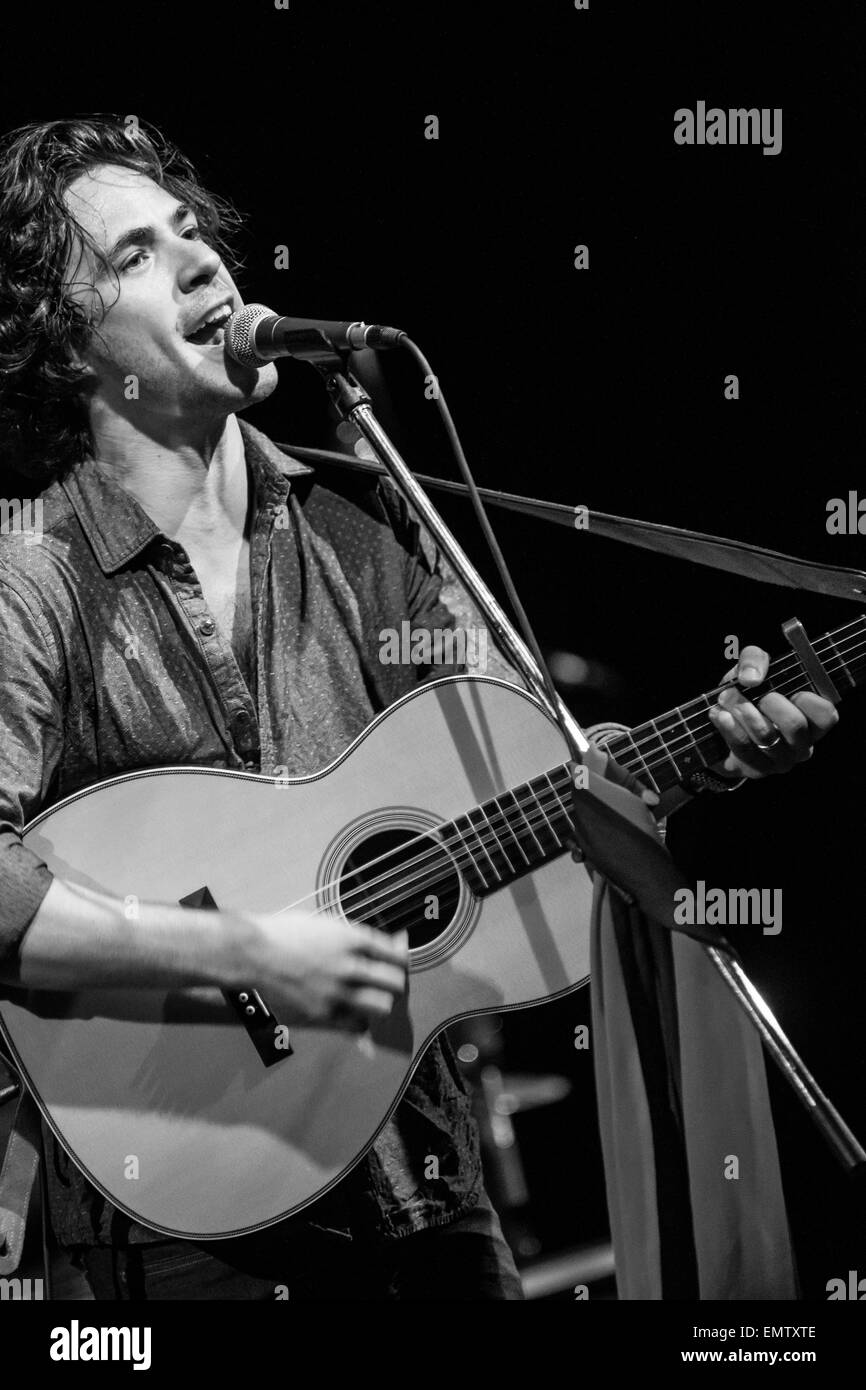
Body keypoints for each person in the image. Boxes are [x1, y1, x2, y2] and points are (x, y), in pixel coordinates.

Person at [0, 117, 839, 1301]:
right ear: (60, 339)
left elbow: (530, 779)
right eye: (135, 255)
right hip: (180, 1231)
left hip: (422, 1187)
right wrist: (243, 950)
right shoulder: (32, 578)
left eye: (194, 233)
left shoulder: (371, 526)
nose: (202, 265)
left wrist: (695, 755)